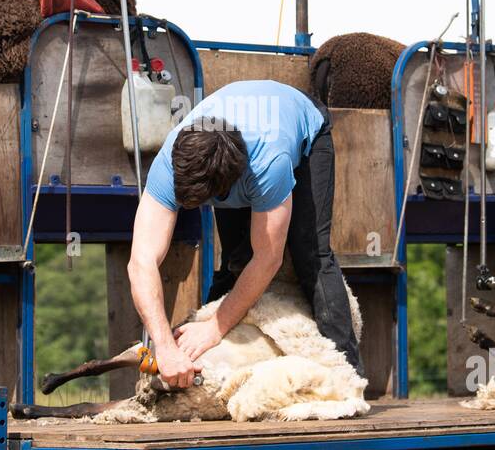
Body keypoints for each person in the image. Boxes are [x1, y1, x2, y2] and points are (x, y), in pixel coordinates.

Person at [127, 79, 362, 388]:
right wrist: (165, 345)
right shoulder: (169, 163)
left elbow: (268, 259)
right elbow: (141, 262)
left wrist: (215, 328)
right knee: (236, 260)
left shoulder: (269, 163)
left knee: (310, 255)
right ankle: (205, 369)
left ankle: (348, 376)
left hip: (300, 125)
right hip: (232, 139)